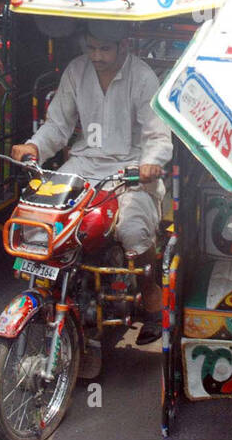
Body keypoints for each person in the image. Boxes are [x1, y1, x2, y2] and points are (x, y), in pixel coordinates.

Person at [11, 23, 172, 346]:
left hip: (131, 167)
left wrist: (151, 162)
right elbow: (57, 125)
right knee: (42, 219)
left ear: (123, 46)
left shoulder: (142, 77)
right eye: (91, 48)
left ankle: (150, 295)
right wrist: (34, 147)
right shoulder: (76, 70)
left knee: (133, 229)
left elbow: (157, 133)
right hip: (84, 163)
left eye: (105, 49)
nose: (97, 56)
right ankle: (50, 291)